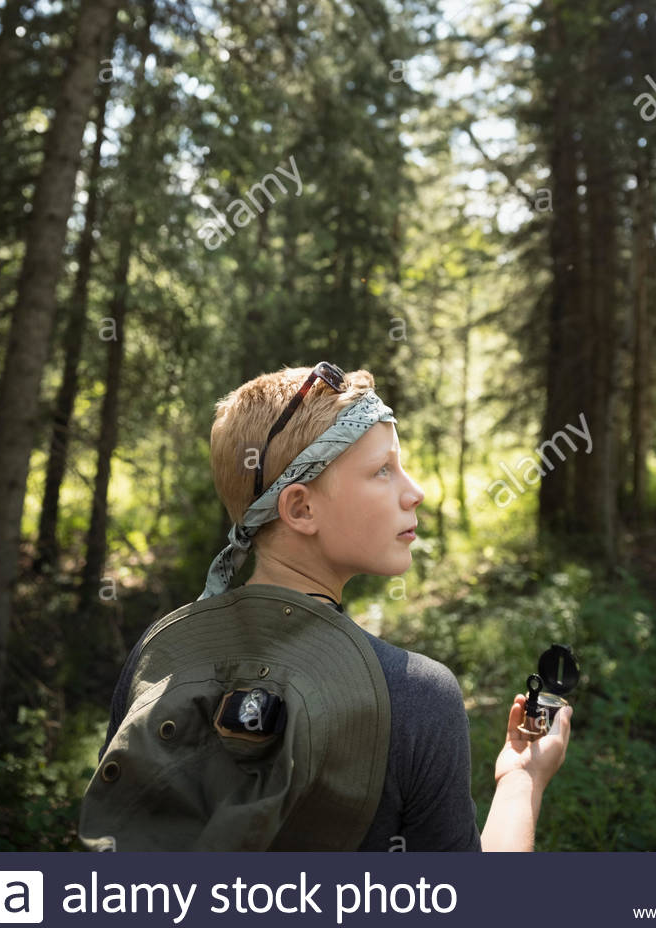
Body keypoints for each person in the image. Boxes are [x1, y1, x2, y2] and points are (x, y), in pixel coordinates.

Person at [97, 362, 572, 851]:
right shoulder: (416, 696)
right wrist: (522, 778)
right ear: (301, 508)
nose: (415, 493)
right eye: (382, 470)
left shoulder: (160, 656)